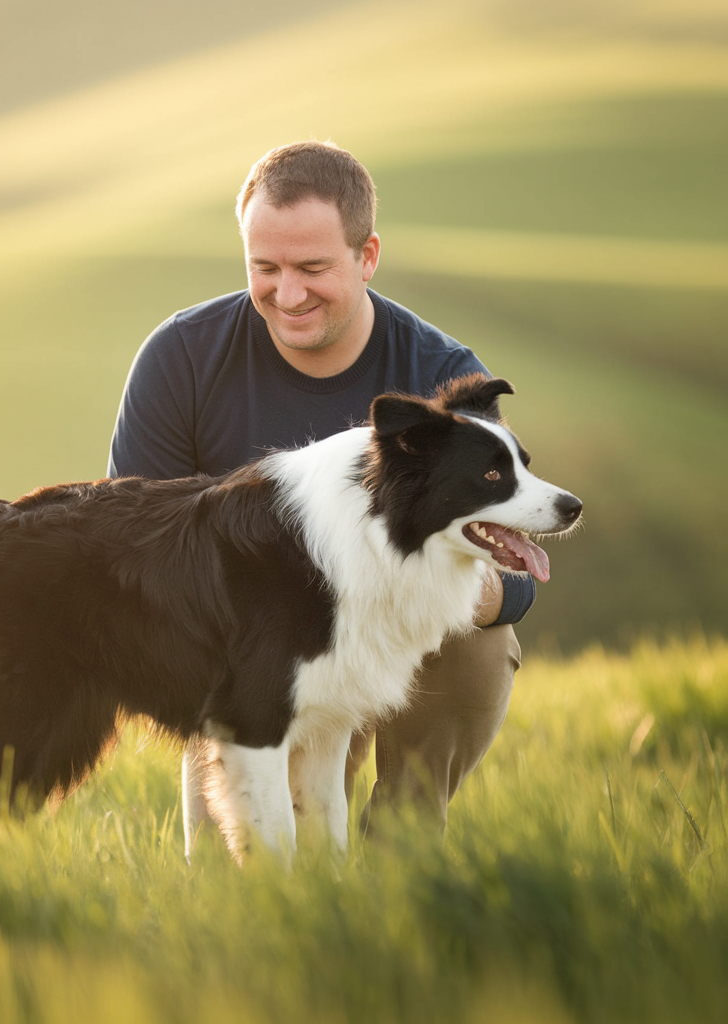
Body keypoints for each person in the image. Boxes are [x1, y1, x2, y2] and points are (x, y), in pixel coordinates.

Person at [107, 141, 532, 853]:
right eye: (263, 269)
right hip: (244, 662)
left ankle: (401, 853)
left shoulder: (445, 377)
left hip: (397, 645)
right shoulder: (179, 358)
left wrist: (459, 588)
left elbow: (514, 575)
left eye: (312, 268)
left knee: (478, 643)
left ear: (367, 257)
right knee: (231, 894)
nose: (288, 293)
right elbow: (137, 550)